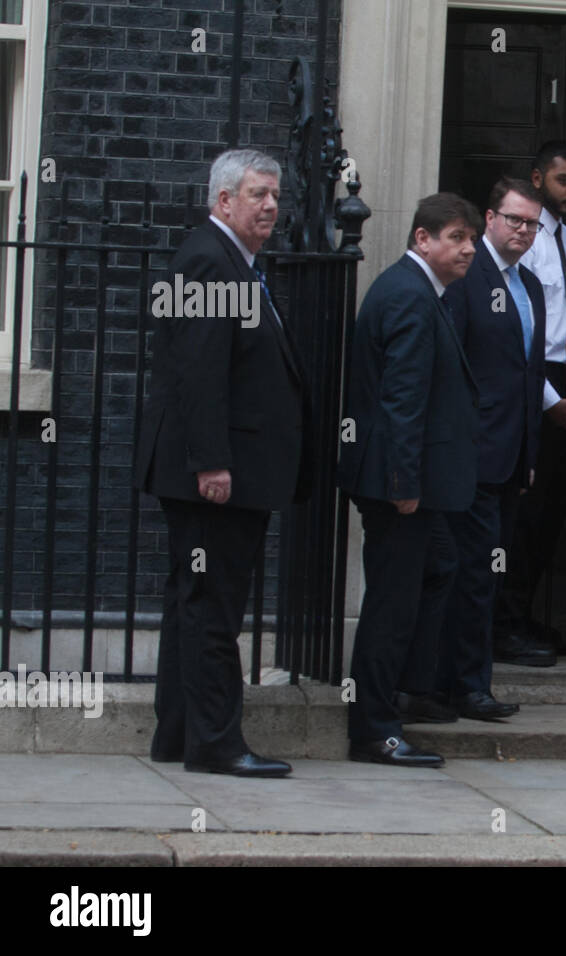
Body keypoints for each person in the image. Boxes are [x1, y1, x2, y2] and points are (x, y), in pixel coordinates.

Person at [135, 148, 309, 777]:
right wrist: (212, 462)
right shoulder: (210, 262)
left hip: (220, 470)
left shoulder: (233, 262)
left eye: (275, 195)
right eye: (258, 194)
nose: (271, 206)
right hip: (213, 476)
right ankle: (216, 744)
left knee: (193, 601)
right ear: (223, 201)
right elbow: (198, 374)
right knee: (212, 608)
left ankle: (179, 736)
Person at [336, 193, 481, 767]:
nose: (468, 248)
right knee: (390, 606)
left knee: (441, 566)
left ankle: (409, 688)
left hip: (418, 485)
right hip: (400, 487)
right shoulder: (410, 297)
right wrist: (402, 483)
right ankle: (373, 728)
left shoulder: (420, 291)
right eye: (456, 237)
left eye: (471, 238)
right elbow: (401, 399)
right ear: (423, 239)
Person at [437, 177, 547, 720]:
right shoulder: (465, 275)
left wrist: (529, 454)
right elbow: (451, 367)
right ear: (490, 218)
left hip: (510, 461)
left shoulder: (530, 285)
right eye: (515, 220)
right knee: (471, 577)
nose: (524, 231)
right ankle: (466, 687)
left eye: (532, 223)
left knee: (490, 575)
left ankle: (467, 682)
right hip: (470, 457)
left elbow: (525, 376)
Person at [494, 141, 566, 667]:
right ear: (537, 179)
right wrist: (550, 398)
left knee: (552, 509)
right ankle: (501, 625)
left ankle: (520, 612)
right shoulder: (523, 240)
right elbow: (518, 334)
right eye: (563, 181)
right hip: (536, 382)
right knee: (524, 512)